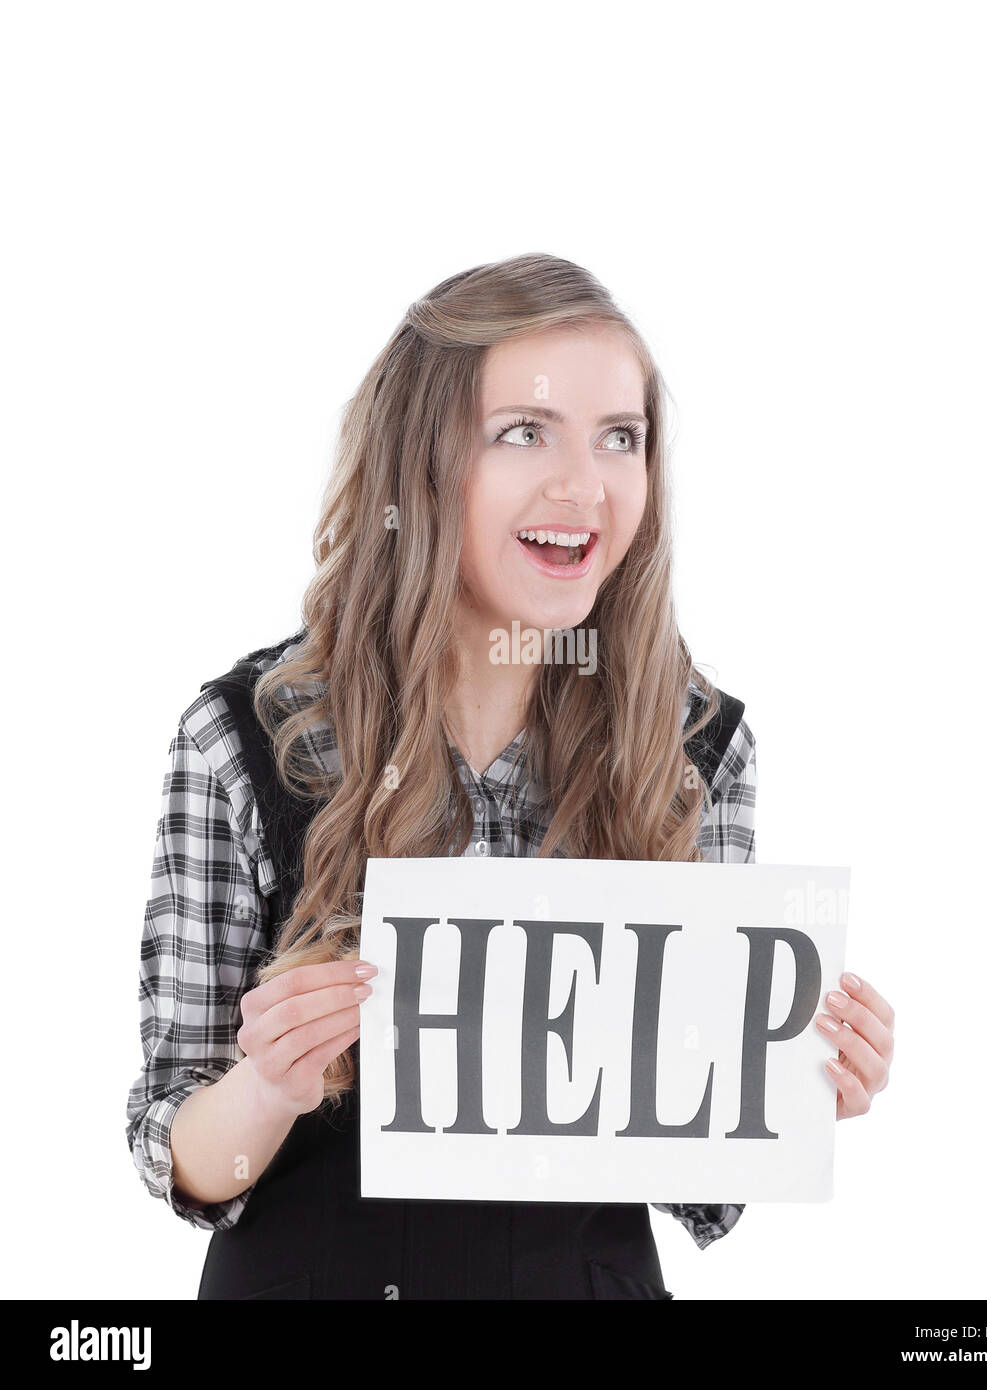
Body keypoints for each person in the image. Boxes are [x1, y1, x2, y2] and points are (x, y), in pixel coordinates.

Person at [125, 252, 895, 1299]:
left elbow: (706, 1190)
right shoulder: (245, 737)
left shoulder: (695, 750)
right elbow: (183, 1157)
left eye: (621, 437)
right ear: (423, 462)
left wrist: (796, 1076)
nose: (584, 486)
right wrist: (267, 1086)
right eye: (524, 432)